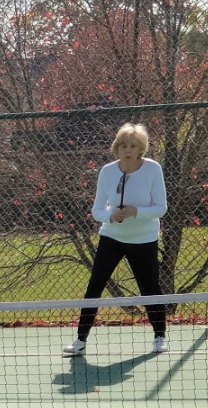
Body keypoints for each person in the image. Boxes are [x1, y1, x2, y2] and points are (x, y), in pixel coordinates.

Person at [67, 123, 169, 357]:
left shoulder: (153, 169)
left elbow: (161, 208)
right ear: (117, 148)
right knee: (95, 286)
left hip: (144, 239)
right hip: (112, 236)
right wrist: (110, 216)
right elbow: (97, 210)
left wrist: (136, 211)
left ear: (141, 148)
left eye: (133, 146)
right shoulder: (107, 171)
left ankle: (160, 337)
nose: (128, 150)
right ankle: (80, 340)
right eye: (124, 145)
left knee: (150, 289)